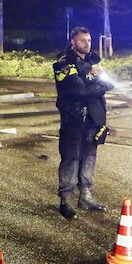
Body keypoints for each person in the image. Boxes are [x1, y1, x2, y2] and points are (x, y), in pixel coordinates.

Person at [52, 27, 116, 220]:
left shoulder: (94, 61)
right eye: (82, 41)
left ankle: (85, 196)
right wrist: (97, 81)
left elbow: (111, 84)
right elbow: (78, 90)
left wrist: (95, 80)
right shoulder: (63, 63)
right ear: (73, 42)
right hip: (74, 118)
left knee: (89, 156)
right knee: (71, 158)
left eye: (89, 40)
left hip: (94, 119)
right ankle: (66, 200)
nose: (87, 44)